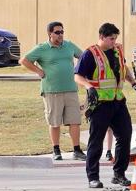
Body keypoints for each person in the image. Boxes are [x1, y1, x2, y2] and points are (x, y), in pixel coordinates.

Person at [74, 23, 136, 188]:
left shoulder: (117, 50)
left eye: (115, 38)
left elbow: (123, 68)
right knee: (96, 141)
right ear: (102, 37)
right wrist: (89, 87)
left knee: (125, 136)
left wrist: (133, 83)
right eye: (111, 38)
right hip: (100, 104)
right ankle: (93, 178)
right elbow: (78, 76)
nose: (114, 41)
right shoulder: (90, 54)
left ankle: (119, 174)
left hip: (118, 102)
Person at [19, 21, 87, 161]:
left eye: (62, 32)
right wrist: (39, 71)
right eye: (57, 32)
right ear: (50, 34)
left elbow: (84, 57)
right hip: (52, 91)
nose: (60, 35)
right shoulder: (42, 48)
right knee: (54, 122)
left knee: (75, 121)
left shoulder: (69, 45)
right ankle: (56, 150)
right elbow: (24, 60)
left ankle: (77, 150)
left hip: (71, 89)